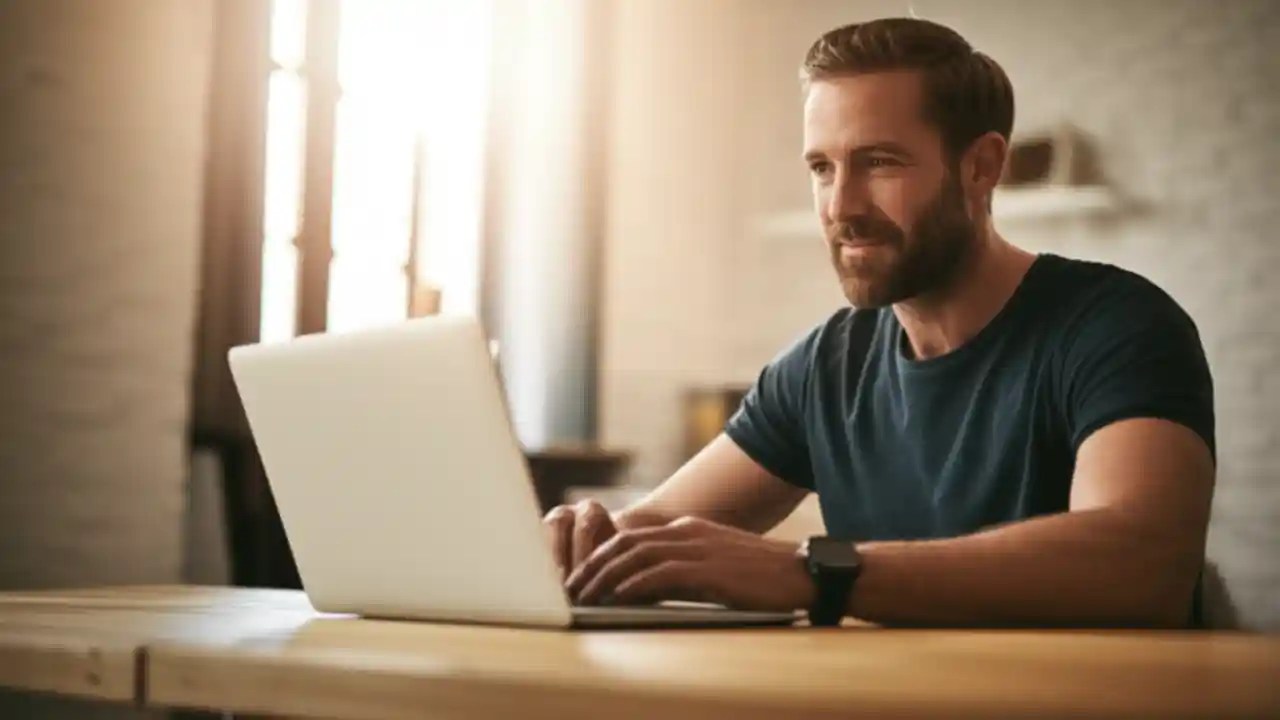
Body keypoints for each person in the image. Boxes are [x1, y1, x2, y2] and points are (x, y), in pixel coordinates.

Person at [546, 17, 1215, 627]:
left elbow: (1141, 564)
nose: (842, 205)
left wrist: (812, 571)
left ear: (981, 167)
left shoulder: (1117, 325)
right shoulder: (823, 368)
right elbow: (647, 539)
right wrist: (575, 547)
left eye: (879, 162)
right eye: (821, 167)